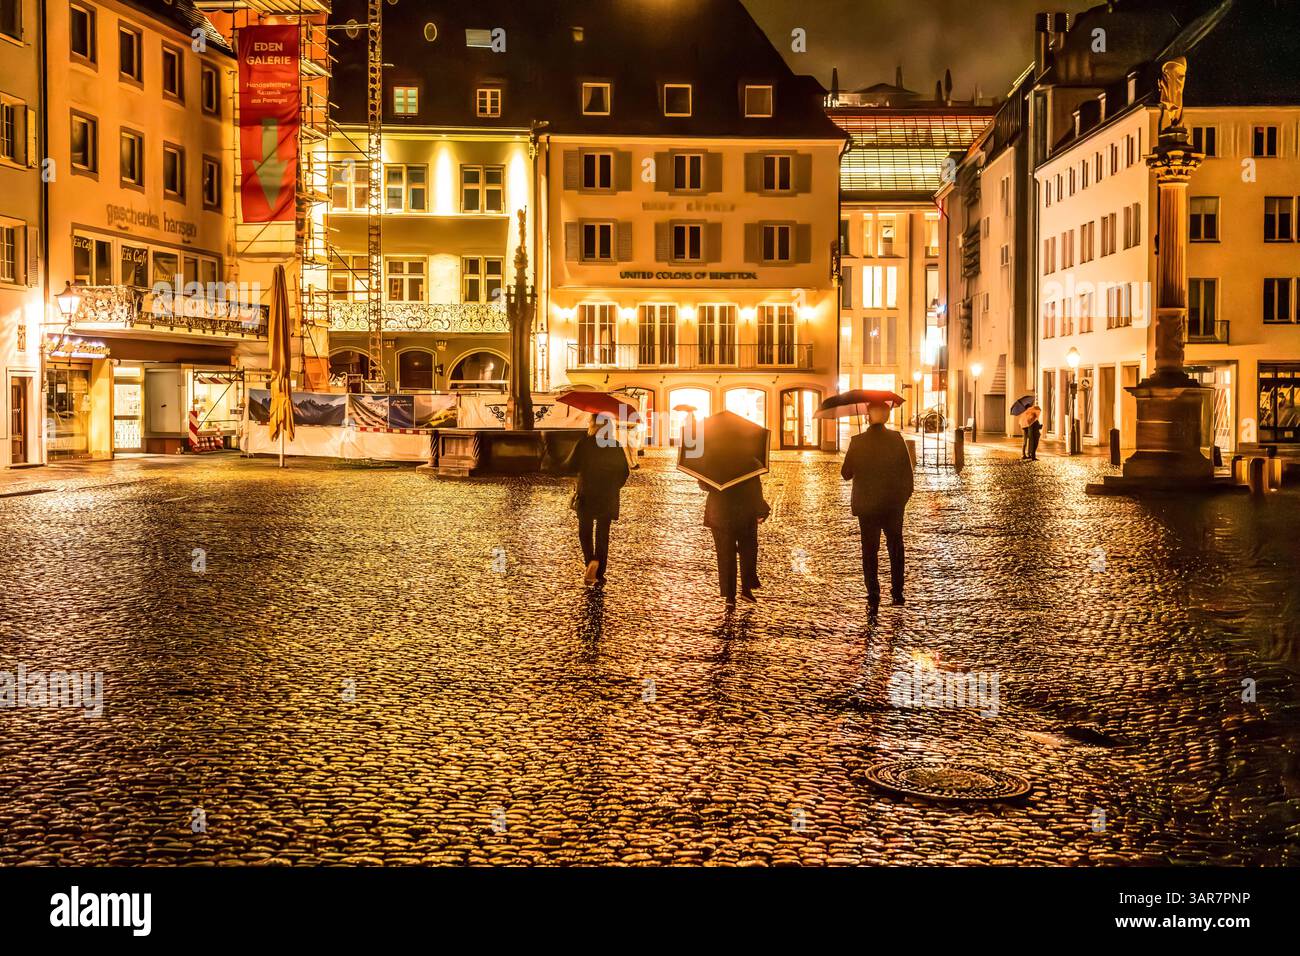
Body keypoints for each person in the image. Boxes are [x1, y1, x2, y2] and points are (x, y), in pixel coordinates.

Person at [841, 402, 914, 607]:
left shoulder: (858, 442)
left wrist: (855, 456)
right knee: (896, 548)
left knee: (869, 551)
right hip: (893, 505)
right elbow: (907, 474)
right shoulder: (896, 439)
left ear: (868, 416)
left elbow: (846, 474)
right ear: (887, 416)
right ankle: (897, 591)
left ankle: (873, 591)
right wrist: (902, 500)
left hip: (867, 506)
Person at [562, 414, 630, 586]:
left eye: (590, 421)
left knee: (584, 531)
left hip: (587, 494)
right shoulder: (615, 445)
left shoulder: (585, 443)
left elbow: (570, 466)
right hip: (608, 495)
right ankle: (599, 572)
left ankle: (590, 561)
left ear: (595, 425)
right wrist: (614, 487)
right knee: (602, 534)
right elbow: (624, 472)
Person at [700, 474, 770, 606]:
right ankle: (746, 589)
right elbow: (755, 488)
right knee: (748, 550)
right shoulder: (749, 460)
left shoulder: (712, 463)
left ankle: (730, 596)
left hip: (720, 513)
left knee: (726, 555)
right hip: (745, 510)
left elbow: (704, 485)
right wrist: (760, 510)